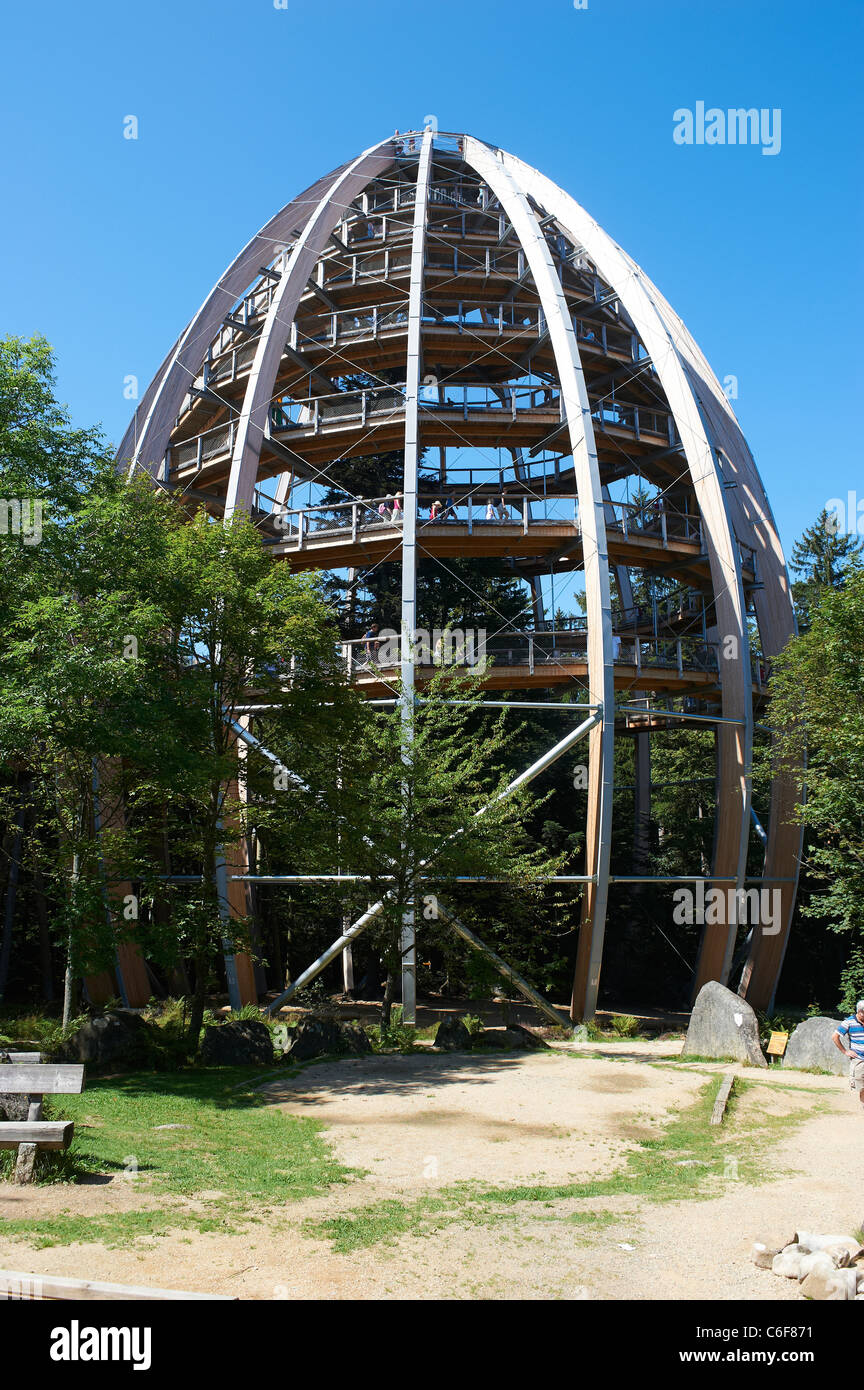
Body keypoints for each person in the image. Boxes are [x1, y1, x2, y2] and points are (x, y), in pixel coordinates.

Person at [833, 1002, 864, 1110]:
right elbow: (835, 1036)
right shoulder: (849, 1022)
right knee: (861, 1085)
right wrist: (845, 1051)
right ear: (859, 1012)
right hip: (859, 1059)